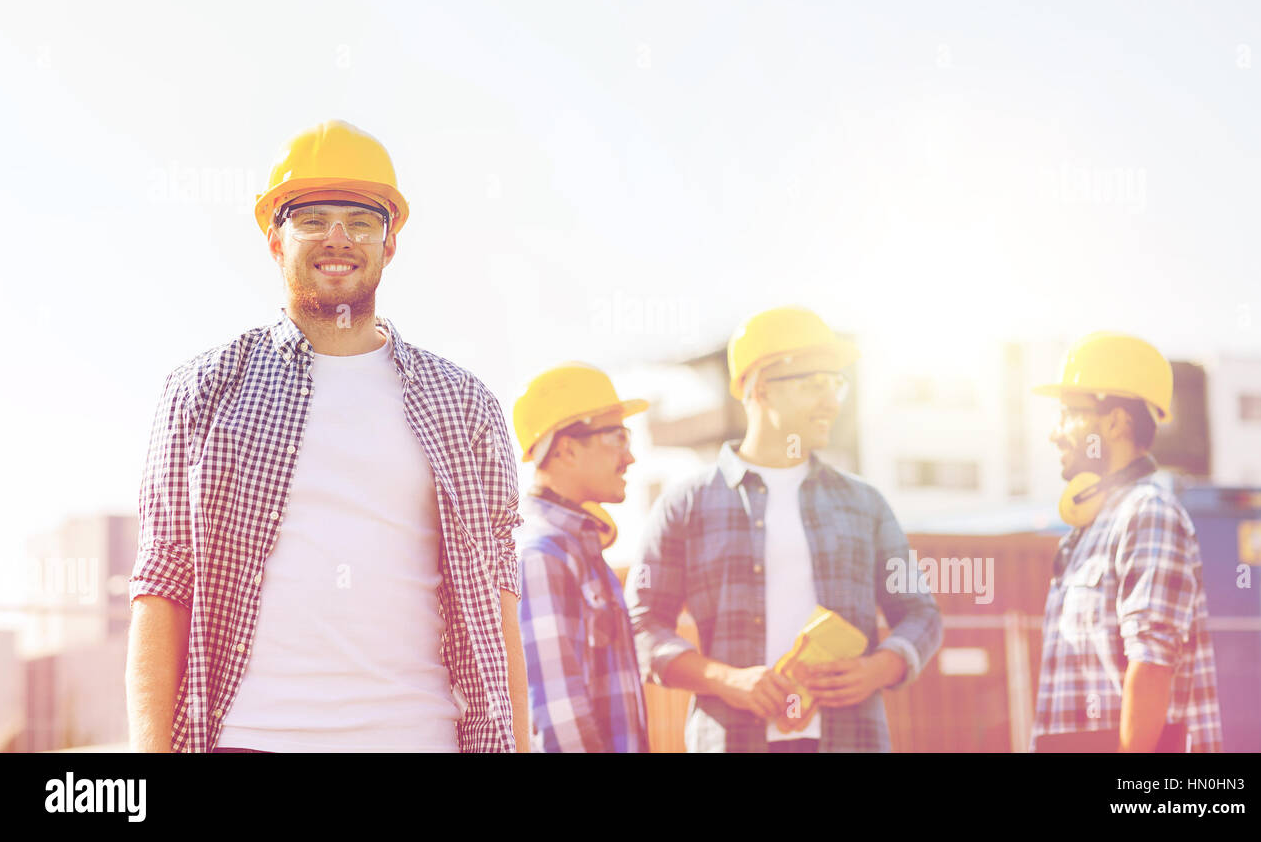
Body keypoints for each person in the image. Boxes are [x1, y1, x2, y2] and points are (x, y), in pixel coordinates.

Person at [125, 120, 527, 753]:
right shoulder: (203, 392)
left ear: (389, 245)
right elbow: (163, 583)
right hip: (252, 739)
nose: (338, 238)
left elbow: (497, 600)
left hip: (421, 739)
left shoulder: (465, 405)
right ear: (274, 240)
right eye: (312, 218)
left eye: (361, 220)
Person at [627, 306, 942, 752]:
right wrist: (726, 679)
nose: (831, 400)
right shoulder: (686, 505)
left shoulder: (865, 504)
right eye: (814, 383)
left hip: (849, 739)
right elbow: (641, 625)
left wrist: (880, 667)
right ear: (759, 388)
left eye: (836, 383)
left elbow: (920, 613)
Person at [1030, 332, 1223, 752]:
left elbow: (1151, 663)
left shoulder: (1148, 514)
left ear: (1115, 422)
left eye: (1068, 414)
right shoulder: (1086, 531)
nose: (1054, 433)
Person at [512, 363, 650, 752]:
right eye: (617, 437)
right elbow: (559, 719)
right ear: (567, 449)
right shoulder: (543, 555)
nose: (631, 457)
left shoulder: (579, 549)